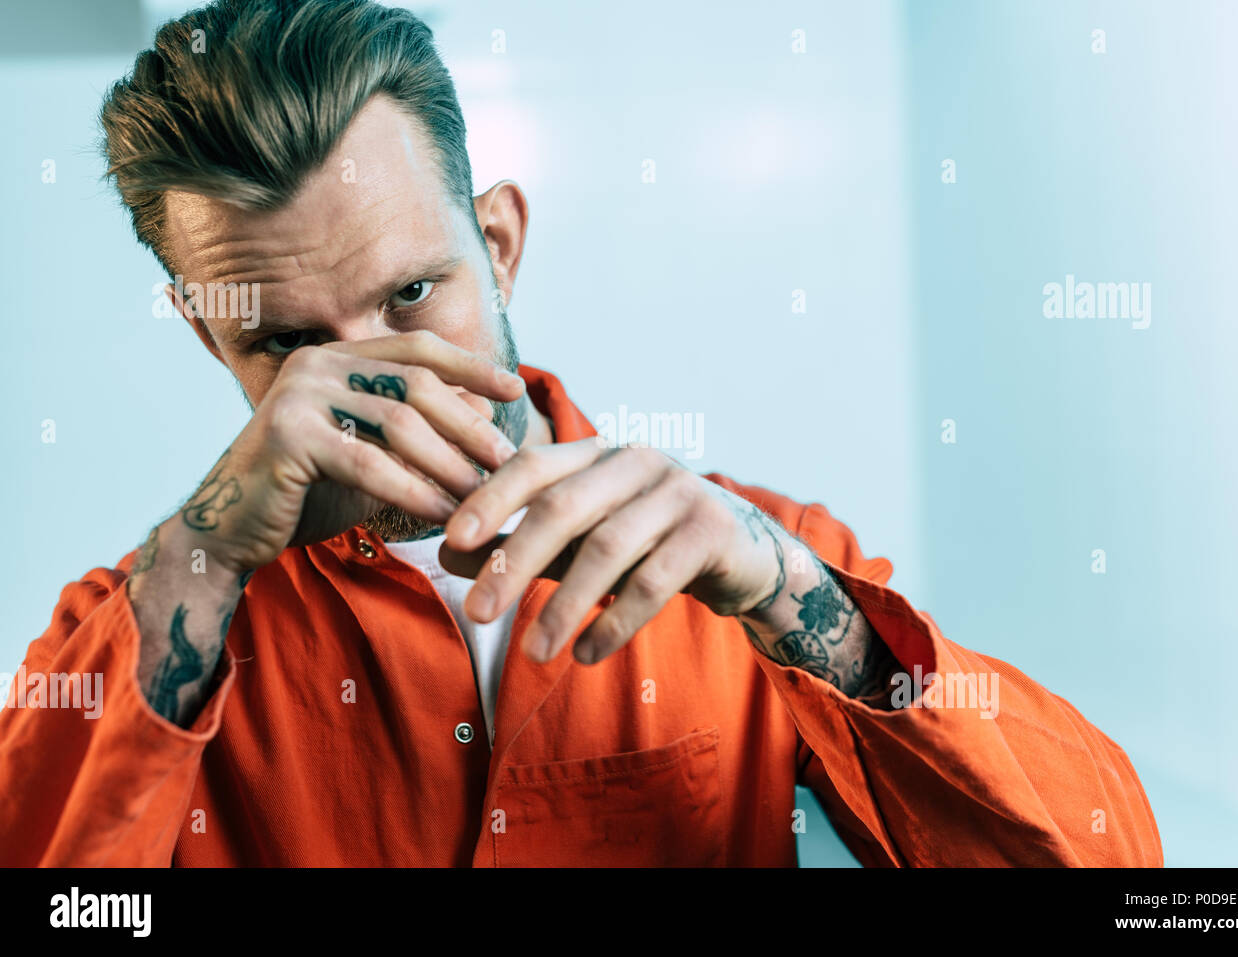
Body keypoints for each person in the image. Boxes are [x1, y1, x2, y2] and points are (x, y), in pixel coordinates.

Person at [0, 0, 1162, 866]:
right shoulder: (137, 630)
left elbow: (1105, 866)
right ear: (213, 336)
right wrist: (199, 564)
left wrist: (796, 604)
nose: (382, 385)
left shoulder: (762, 561)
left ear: (498, 244)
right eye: (292, 346)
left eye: (413, 296)